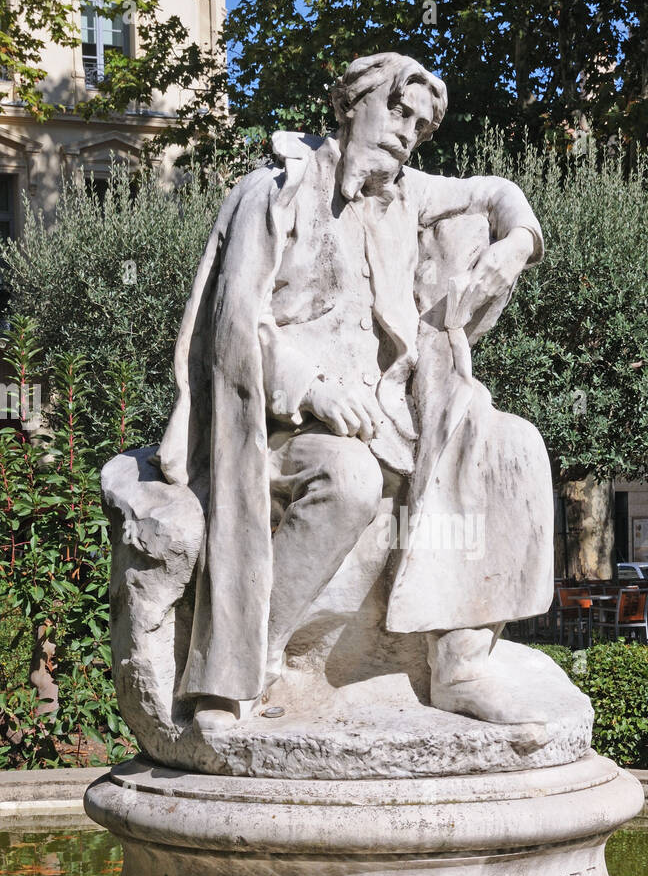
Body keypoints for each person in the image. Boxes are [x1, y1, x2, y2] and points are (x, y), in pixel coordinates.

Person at [156, 53, 554, 731]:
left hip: (387, 406)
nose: (407, 132)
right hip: (277, 415)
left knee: (510, 442)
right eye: (398, 111)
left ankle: (458, 667)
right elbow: (233, 324)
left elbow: (497, 192)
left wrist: (519, 240)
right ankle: (246, 668)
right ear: (347, 104)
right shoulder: (272, 191)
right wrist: (309, 389)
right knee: (348, 480)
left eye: (422, 127)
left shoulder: (406, 193)